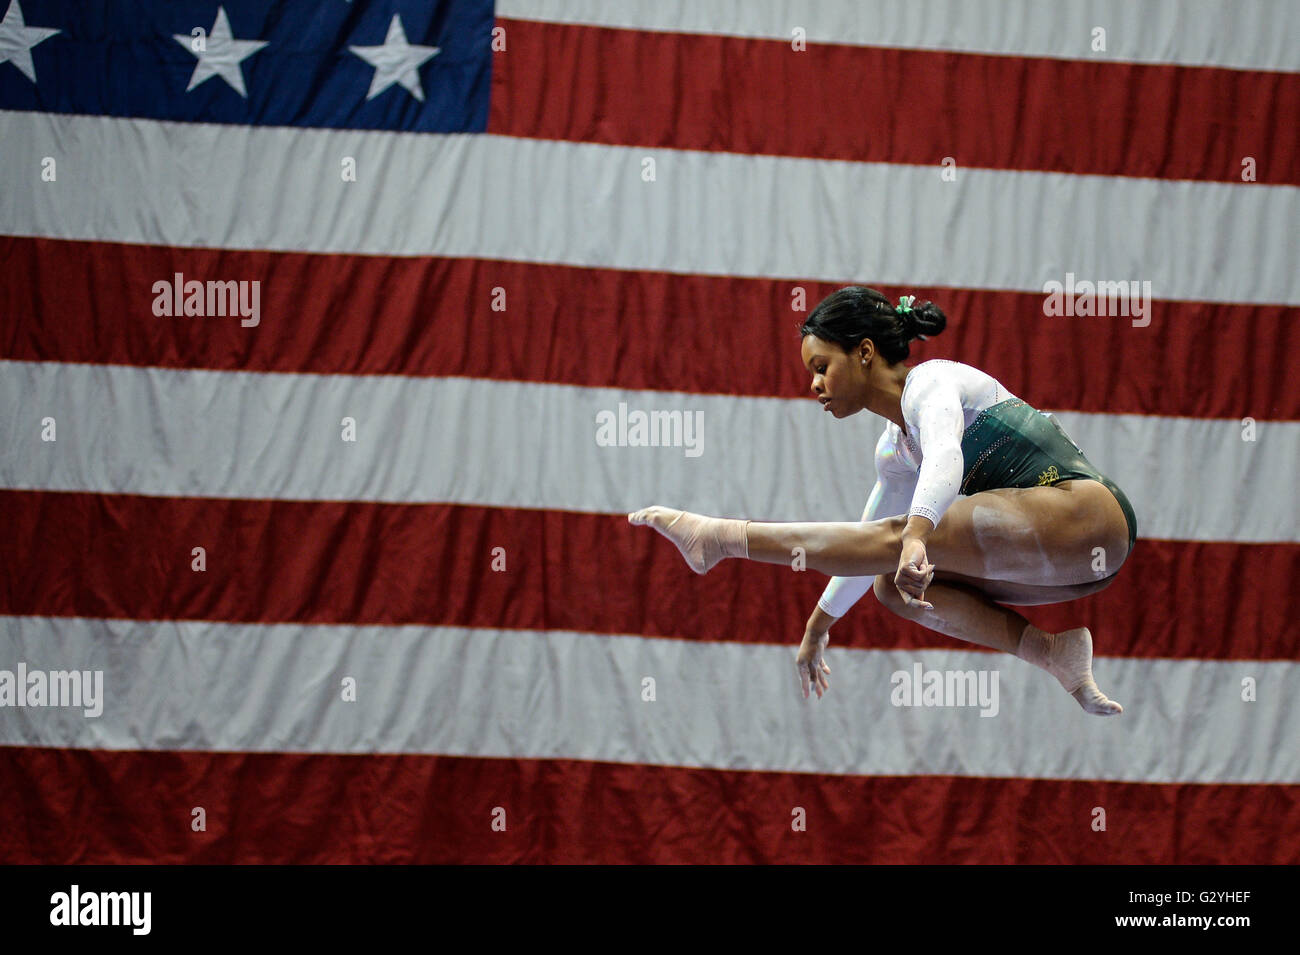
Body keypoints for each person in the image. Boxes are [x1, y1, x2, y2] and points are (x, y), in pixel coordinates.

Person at [629, 286, 1137, 716]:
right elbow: (864, 541)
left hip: (1091, 515)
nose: (814, 385)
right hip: (1079, 566)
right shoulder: (895, 448)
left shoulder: (932, 382)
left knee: (901, 542)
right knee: (889, 586)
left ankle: (722, 536)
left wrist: (916, 535)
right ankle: (1052, 651)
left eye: (822, 366)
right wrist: (817, 626)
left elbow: (944, 456)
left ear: (865, 352)